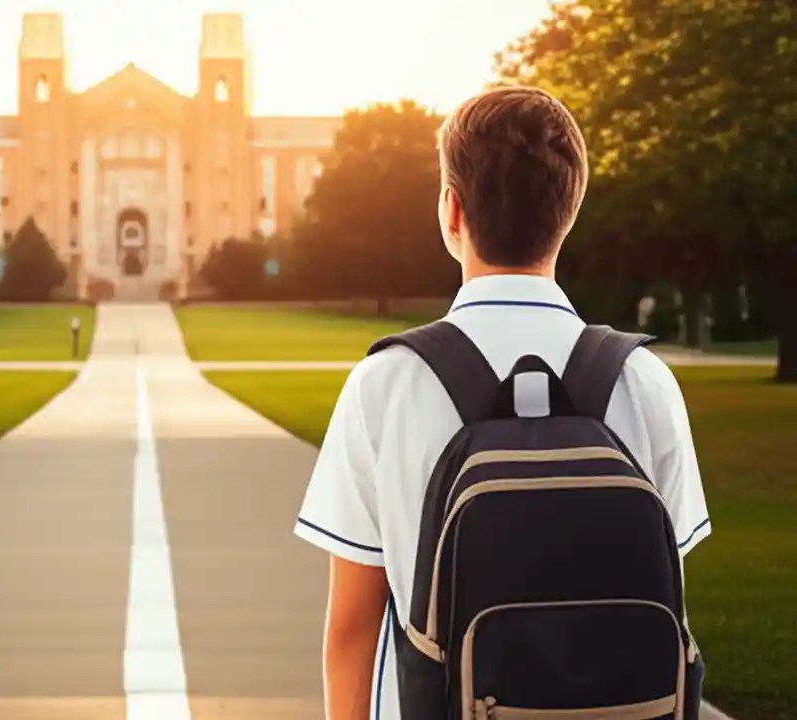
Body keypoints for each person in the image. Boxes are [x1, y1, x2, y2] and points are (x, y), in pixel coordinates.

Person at [292, 86, 711, 720]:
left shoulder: (387, 385)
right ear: (569, 210)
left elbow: (353, 627)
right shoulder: (644, 382)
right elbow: (661, 600)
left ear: (451, 211)